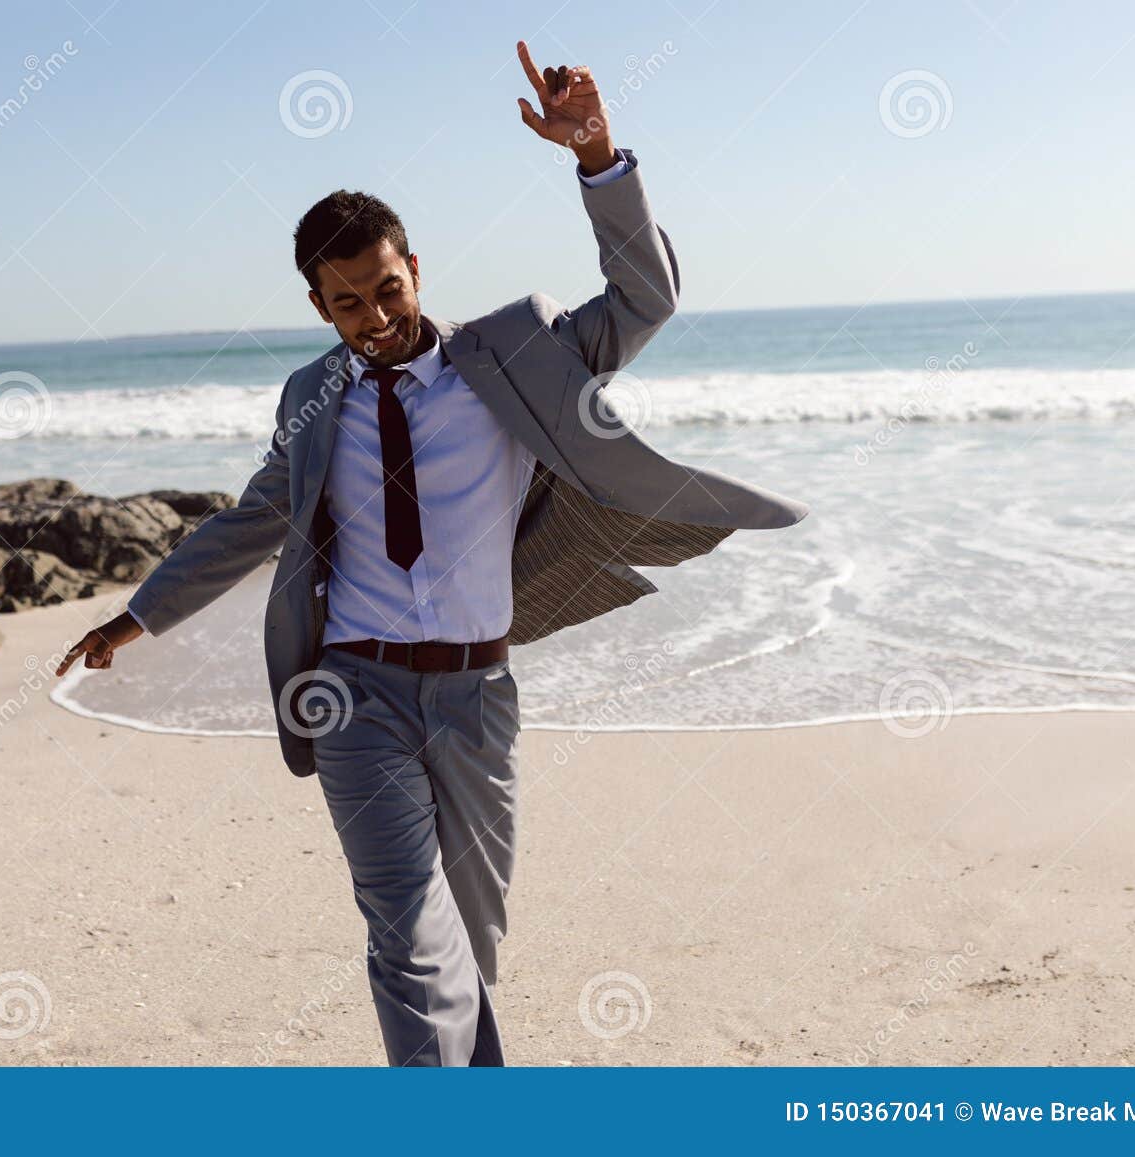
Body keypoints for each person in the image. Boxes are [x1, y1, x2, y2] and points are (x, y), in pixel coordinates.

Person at [56, 40, 807, 1066]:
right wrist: (139, 612)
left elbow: (645, 302)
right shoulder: (310, 398)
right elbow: (254, 518)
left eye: (388, 289)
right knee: (406, 930)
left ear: (415, 272)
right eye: (349, 301)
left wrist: (596, 156)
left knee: (468, 935)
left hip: (476, 692)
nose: (374, 317)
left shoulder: (514, 357)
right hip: (352, 692)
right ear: (318, 306)